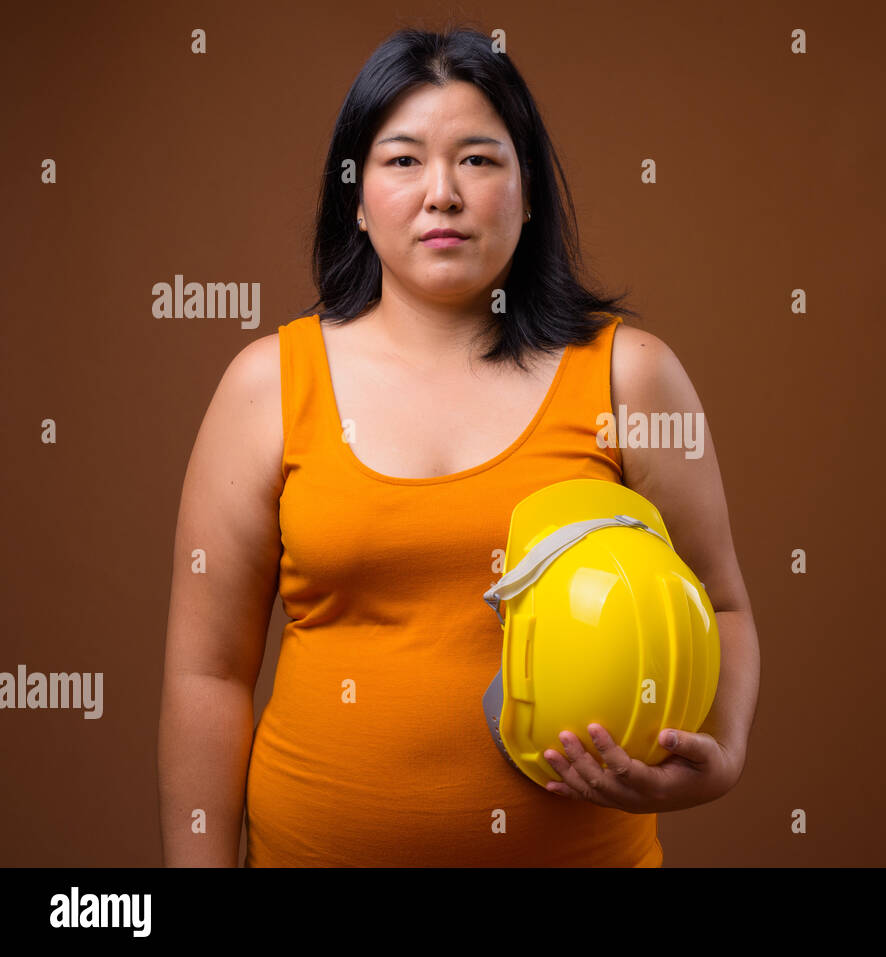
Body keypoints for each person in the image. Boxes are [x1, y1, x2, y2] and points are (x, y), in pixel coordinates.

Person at [157, 25, 759, 867]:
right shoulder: (267, 383)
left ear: (530, 192)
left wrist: (719, 757)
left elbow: (721, 603)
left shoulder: (632, 375)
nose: (442, 192)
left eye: (478, 159)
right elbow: (208, 675)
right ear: (356, 199)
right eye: (402, 161)